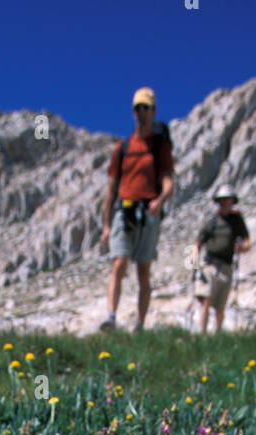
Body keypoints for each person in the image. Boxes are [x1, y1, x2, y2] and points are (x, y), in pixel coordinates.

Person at [100, 88, 174, 333]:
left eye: (146, 108)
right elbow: (111, 189)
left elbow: (168, 179)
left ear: (154, 112)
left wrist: (161, 199)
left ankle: (139, 325)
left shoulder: (160, 147)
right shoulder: (122, 149)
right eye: (137, 108)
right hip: (125, 210)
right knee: (119, 263)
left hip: (149, 213)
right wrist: (106, 225)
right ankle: (111, 317)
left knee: (144, 271)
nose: (141, 113)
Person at [192, 186, 250, 333]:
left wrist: (242, 248)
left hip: (227, 266)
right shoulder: (211, 222)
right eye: (222, 200)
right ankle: (202, 334)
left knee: (220, 306)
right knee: (206, 299)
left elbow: (247, 241)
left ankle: (217, 332)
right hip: (210, 264)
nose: (224, 202)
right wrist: (193, 260)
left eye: (227, 199)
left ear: (232, 201)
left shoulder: (237, 221)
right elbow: (198, 243)